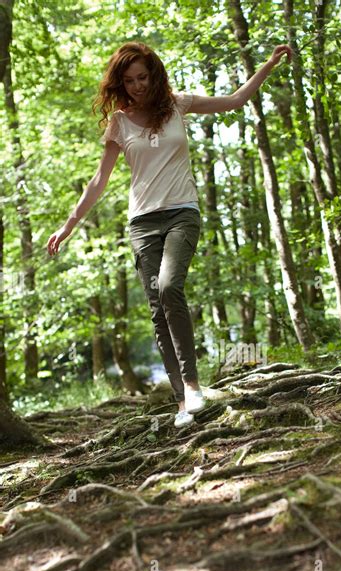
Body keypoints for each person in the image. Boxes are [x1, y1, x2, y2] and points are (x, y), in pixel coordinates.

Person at [47, 41, 292, 427]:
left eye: (142, 77)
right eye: (128, 80)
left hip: (182, 213)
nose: (137, 86)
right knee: (157, 311)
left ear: (154, 74)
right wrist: (69, 225)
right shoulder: (119, 123)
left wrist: (269, 64)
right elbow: (99, 180)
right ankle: (182, 404)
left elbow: (236, 100)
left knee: (169, 286)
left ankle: (193, 386)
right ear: (120, 83)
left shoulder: (178, 104)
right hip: (142, 222)